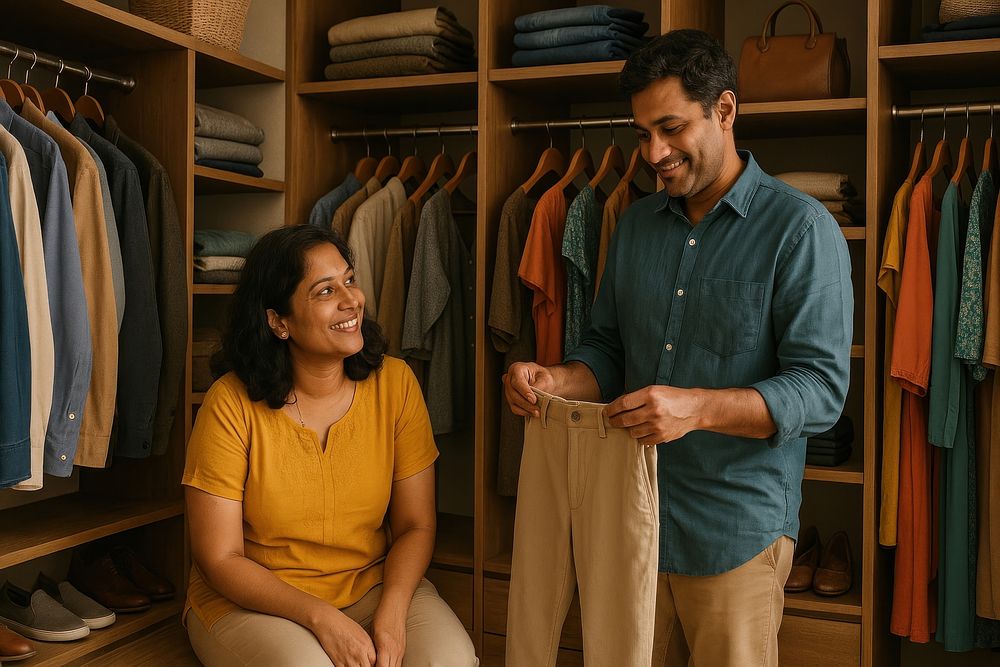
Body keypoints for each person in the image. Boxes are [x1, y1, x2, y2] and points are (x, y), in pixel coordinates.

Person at [504, 29, 853, 666]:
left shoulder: (801, 229)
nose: (654, 153)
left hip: (735, 533)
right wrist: (555, 380)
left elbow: (822, 392)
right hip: (627, 522)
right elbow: (607, 350)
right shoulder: (635, 225)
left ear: (724, 110)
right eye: (642, 134)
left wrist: (697, 408)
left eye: (671, 128)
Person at [183, 225, 477, 667]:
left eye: (350, 280)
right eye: (325, 291)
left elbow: (416, 525)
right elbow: (220, 558)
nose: (351, 300)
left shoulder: (395, 384)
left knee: (450, 661)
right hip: (256, 602)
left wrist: (392, 615)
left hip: (372, 587)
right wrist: (322, 619)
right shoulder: (230, 403)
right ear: (278, 321)